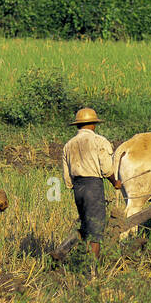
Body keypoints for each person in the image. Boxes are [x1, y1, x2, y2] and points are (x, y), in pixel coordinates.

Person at [61, 107, 118, 258]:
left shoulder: (69, 145)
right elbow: (106, 169)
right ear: (93, 124)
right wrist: (115, 183)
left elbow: (67, 178)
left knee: (86, 226)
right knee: (96, 231)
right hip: (93, 186)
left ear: (78, 125)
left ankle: (79, 257)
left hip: (78, 189)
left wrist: (76, 187)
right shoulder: (99, 141)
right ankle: (92, 270)